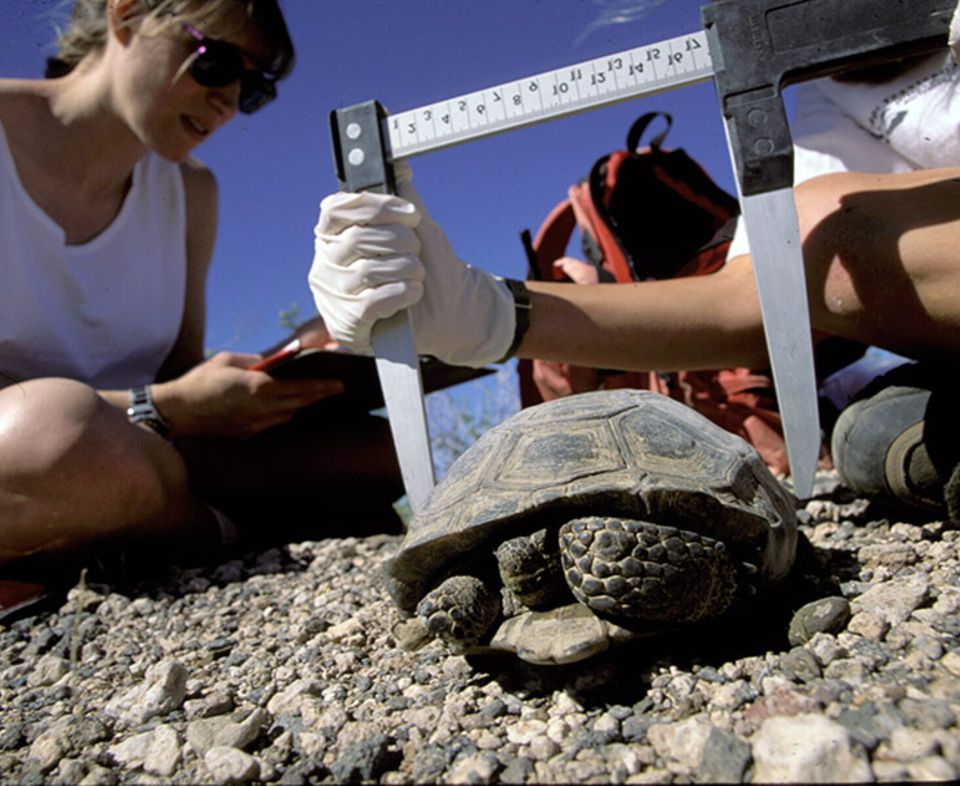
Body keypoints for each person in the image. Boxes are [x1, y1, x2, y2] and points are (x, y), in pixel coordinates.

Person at [309, 38, 960, 518]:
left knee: (820, 227)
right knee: (870, 422)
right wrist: (481, 313)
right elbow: (757, 297)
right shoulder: (824, 86)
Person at [0, 0, 403, 601]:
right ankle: (207, 533)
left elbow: (178, 371)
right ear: (127, 15)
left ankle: (127, 531)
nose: (228, 101)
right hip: (42, 449)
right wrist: (157, 405)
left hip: (147, 452)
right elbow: (160, 399)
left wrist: (298, 354)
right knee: (54, 432)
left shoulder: (191, 192)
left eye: (254, 87)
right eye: (215, 63)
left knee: (380, 450)